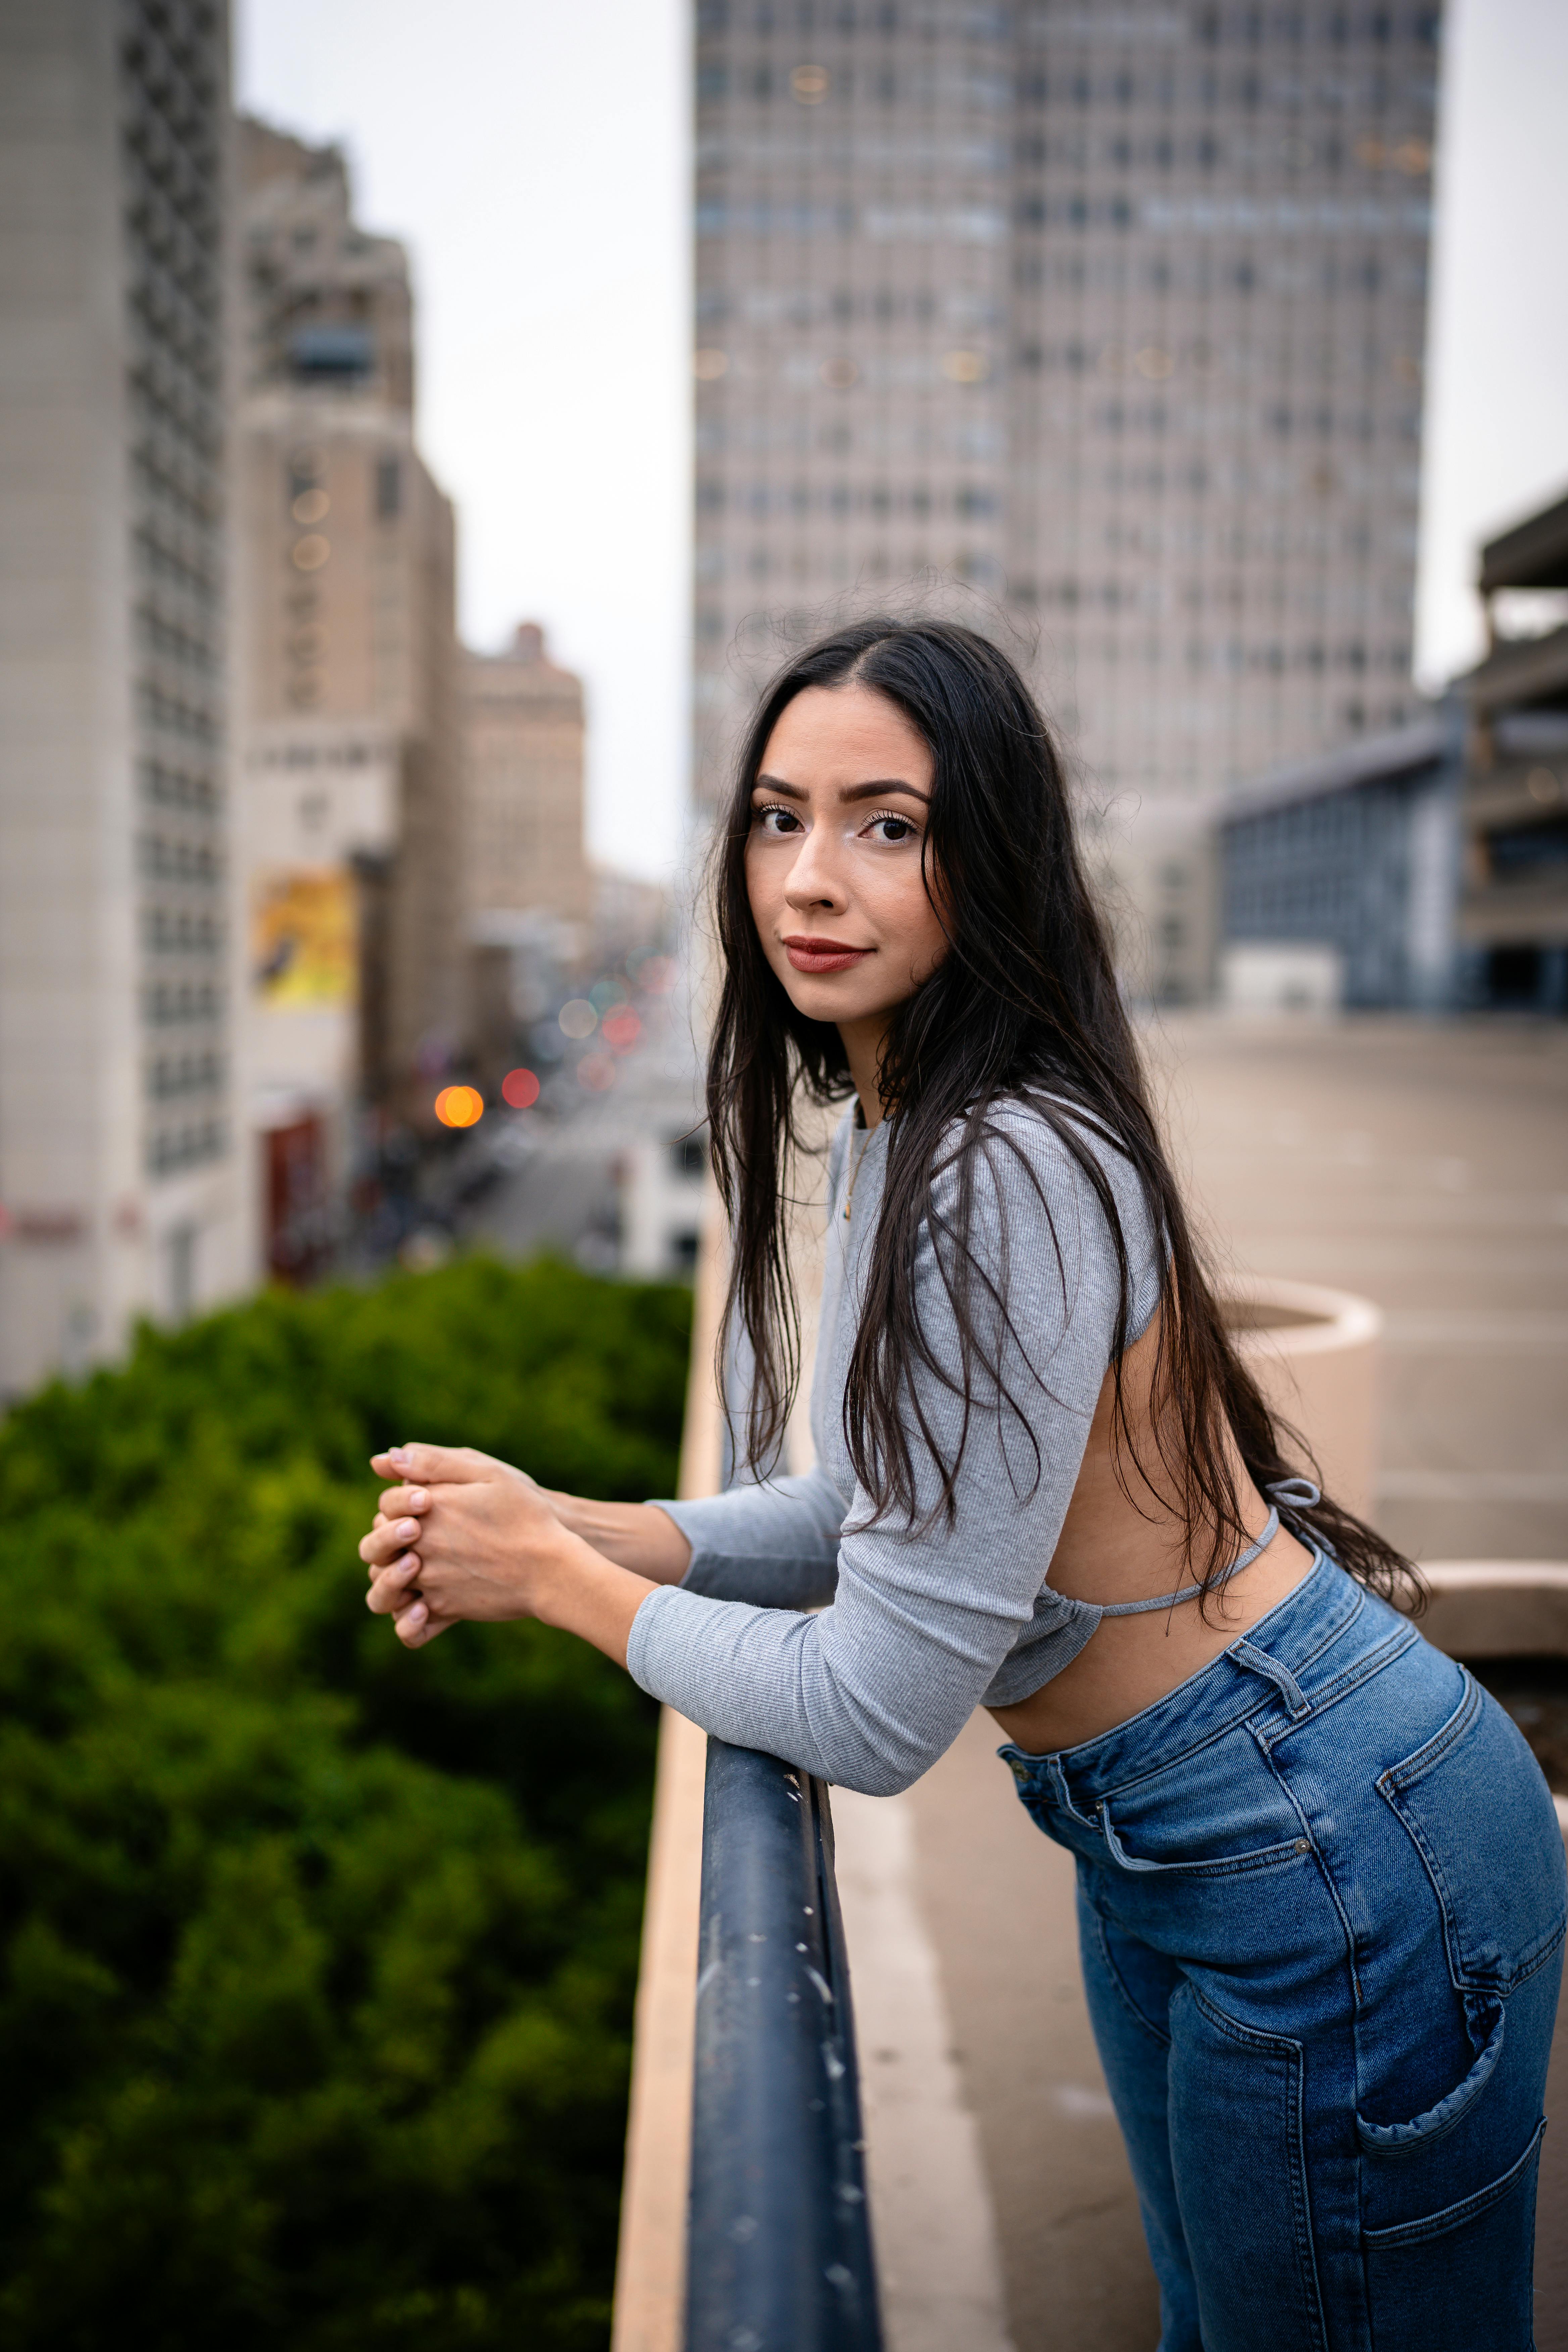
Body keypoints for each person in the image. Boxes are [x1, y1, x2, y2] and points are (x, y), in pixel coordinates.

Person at [358, 620, 1564, 2351]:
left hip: (1323, 1843)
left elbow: (874, 1710)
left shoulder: (997, 1164)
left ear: (986, 856)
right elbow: (873, 1505)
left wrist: (564, 1590)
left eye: (888, 824)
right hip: (1204, 1833)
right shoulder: (915, 1120)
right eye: (778, 818)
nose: (813, 878)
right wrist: (591, 1526)